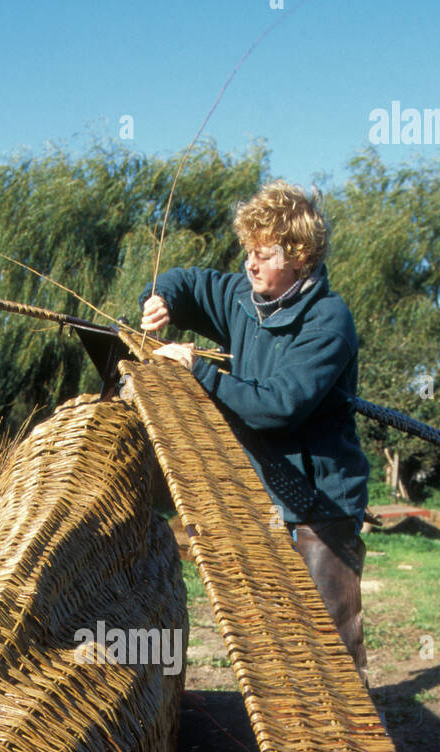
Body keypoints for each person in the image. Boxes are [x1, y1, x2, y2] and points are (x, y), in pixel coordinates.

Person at [139, 179, 370, 685]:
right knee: (280, 644)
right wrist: (161, 299)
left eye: (263, 254)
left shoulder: (329, 322)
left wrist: (200, 371)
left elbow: (276, 406)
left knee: (333, 655)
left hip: (321, 510)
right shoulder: (244, 296)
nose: (250, 264)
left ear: (300, 256)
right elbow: (188, 282)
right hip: (263, 502)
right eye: (248, 251)